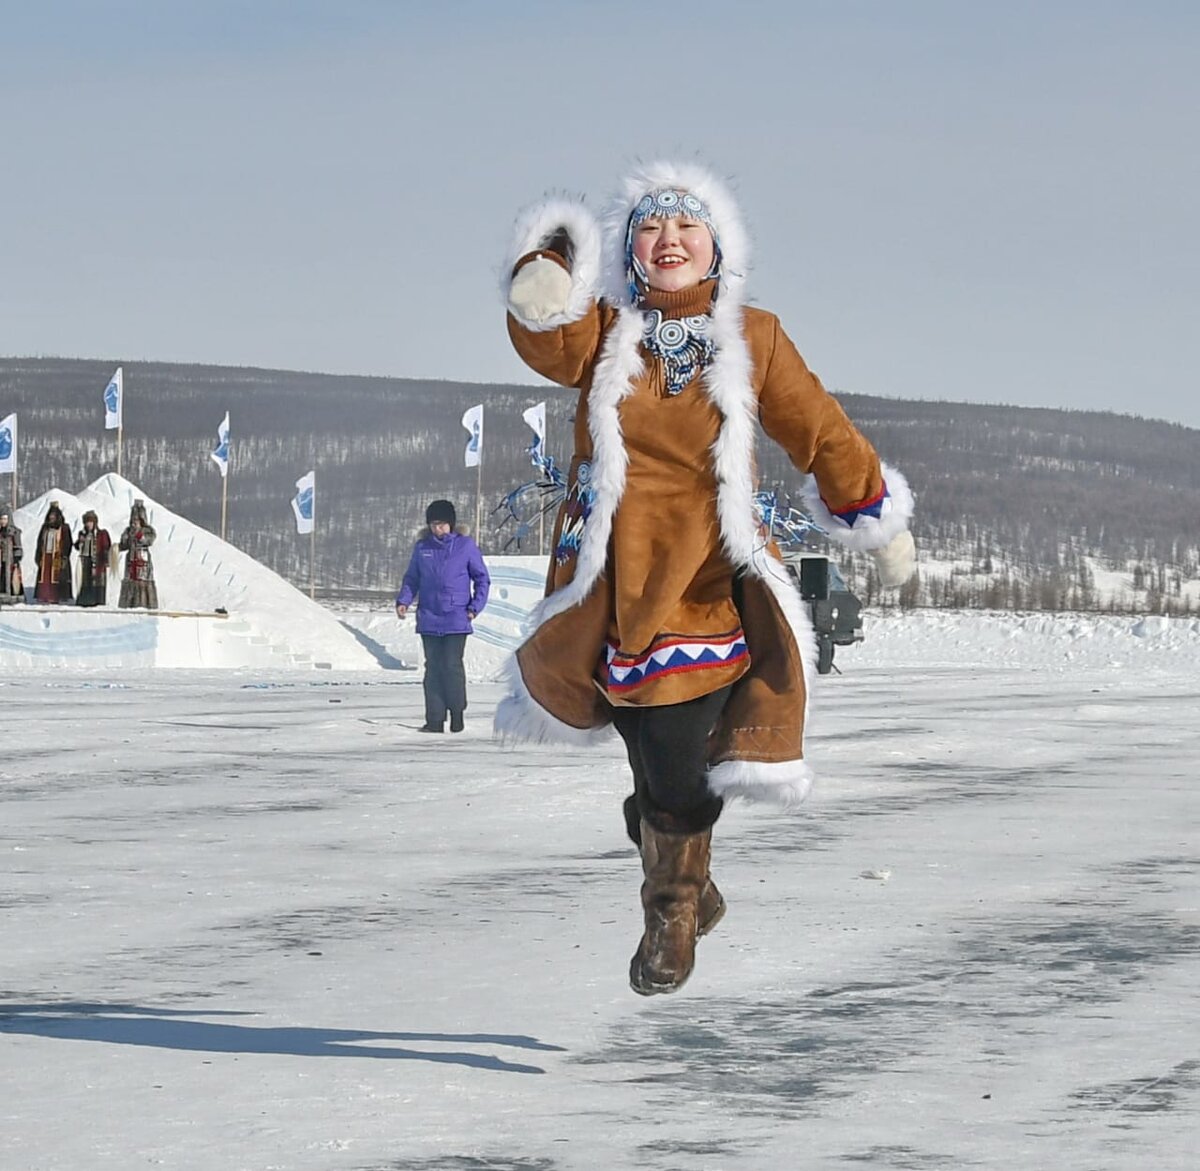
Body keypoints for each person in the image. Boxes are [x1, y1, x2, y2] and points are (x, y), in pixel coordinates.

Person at [497, 162, 917, 996]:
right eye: (651, 228)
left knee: (678, 754)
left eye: (687, 227)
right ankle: (693, 877)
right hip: (610, 584)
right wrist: (548, 261)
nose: (669, 239)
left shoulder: (753, 336)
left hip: (706, 577)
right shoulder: (608, 331)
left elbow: (819, 429)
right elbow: (548, 335)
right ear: (629, 250)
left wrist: (873, 510)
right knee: (649, 755)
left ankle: (673, 913)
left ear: (717, 249)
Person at [395, 500, 490, 733]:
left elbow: (482, 579)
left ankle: (457, 712)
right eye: (435, 525)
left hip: (457, 617)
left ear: (451, 524)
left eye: (443, 525)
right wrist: (404, 601)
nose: (439, 529)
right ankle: (434, 720)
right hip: (429, 616)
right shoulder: (422, 548)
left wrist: (474, 607)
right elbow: (412, 579)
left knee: (451, 665)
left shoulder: (465, 546)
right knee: (433, 668)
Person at [119, 499, 158, 609]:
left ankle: (145, 604)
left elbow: (150, 540)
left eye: (136, 521)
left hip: (143, 560)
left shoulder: (147, 531)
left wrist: (141, 537)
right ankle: (128, 604)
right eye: (132, 521)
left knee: (143, 581)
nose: (134, 523)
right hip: (131, 561)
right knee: (131, 581)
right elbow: (124, 545)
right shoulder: (128, 531)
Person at [35, 501, 73, 604]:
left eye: (54, 516)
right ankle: (44, 596)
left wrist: (65, 556)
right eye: (50, 515)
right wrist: (38, 556)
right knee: (45, 577)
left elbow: (68, 542)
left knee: (56, 577)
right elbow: (39, 542)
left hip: (57, 556)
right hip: (46, 556)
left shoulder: (64, 528)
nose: (52, 518)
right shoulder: (45, 528)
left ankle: (56, 597)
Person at [74, 511, 113, 608]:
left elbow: (106, 547)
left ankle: (97, 601)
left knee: (97, 581)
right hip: (85, 561)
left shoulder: (101, 534)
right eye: (87, 522)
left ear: (94, 523)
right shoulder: (83, 534)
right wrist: (80, 541)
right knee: (85, 581)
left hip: (98, 562)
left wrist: (106, 559)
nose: (88, 524)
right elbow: (77, 546)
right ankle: (85, 601)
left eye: (90, 522)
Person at [0, 506, 24, 604]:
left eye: (4, 519)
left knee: (12, 579)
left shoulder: (14, 532)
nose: (2, 521)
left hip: (11, 561)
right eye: (1, 519)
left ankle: (12, 598)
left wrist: (16, 559)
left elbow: (18, 546)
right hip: (1, 560)